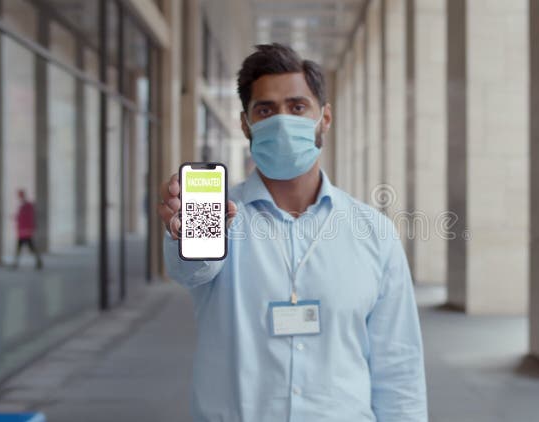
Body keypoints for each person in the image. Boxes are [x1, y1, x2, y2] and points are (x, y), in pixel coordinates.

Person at [158, 43, 427, 421]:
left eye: (297, 107)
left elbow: (398, 363)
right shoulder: (220, 215)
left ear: (325, 119)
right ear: (245, 124)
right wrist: (185, 230)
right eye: (265, 110)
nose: (281, 121)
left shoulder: (374, 232)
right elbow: (190, 270)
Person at [14, 189, 43, 270]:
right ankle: (38, 262)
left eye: (20, 194)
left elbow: (30, 218)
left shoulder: (28, 205)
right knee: (25, 247)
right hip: (22, 231)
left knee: (28, 247)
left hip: (26, 231)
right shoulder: (23, 205)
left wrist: (30, 228)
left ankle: (38, 262)